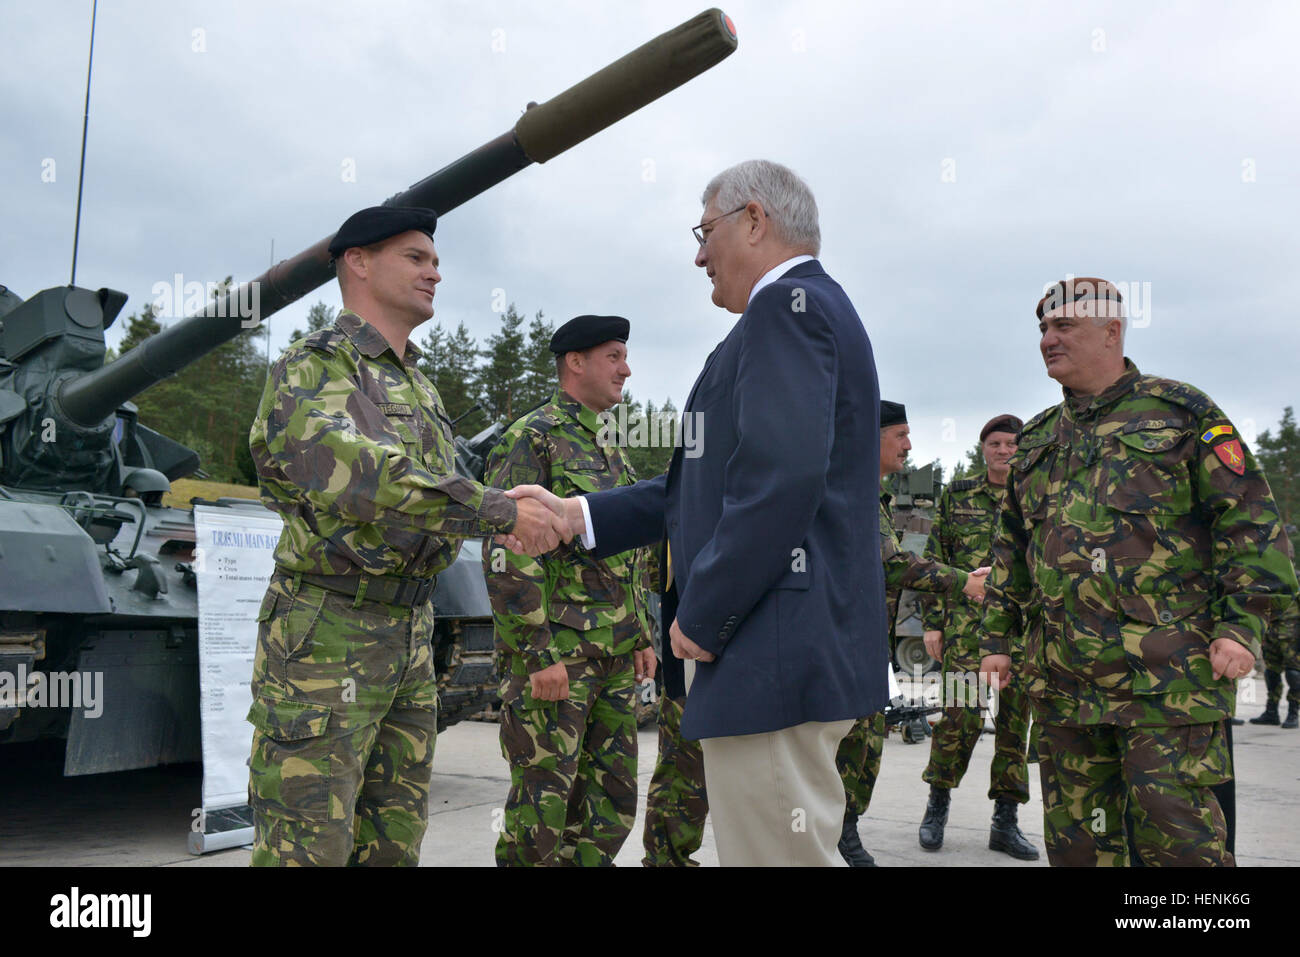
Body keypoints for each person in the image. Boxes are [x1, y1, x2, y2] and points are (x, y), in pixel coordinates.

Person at [509, 159, 889, 866]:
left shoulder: (786, 309)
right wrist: (579, 515)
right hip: (790, 649)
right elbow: (713, 481)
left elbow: (780, 479)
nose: (698, 253)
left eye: (705, 230)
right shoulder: (802, 311)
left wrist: (702, 612)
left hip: (771, 652)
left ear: (753, 219)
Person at [245, 205, 567, 867]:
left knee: (392, 843)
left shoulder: (418, 385)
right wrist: (501, 510)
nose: (434, 272)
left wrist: (518, 500)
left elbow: (451, 488)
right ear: (357, 261)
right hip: (327, 630)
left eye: (436, 260)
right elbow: (365, 477)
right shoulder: (312, 369)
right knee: (307, 846)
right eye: (415, 258)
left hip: (412, 628)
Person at [979, 276, 1298, 867]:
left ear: (1112, 331)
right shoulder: (1040, 439)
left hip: (1167, 687)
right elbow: (1010, 549)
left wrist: (1242, 625)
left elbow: (1253, 527)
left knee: (1182, 853)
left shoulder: (1181, 414)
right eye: (1043, 329)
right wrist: (997, 639)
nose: (1048, 339)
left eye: (1064, 326)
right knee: (1078, 851)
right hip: (1065, 689)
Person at [482, 314, 656, 866]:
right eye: (614, 357)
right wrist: (537, 655)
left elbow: (627, 554)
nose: (626, 369)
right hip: (559, 658)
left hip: (613, 655)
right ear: (575, 363)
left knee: (611, 806)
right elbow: (506, 551)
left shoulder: (612, 445)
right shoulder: (532, 438)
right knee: (541, 814)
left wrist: (641, 635)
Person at [836, 400, 989, 866]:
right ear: (871, 437)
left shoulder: (870, 493)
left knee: (867, 744)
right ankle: (840, 836)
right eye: (900, 434)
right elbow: (894, 562)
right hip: (846, 647)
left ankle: (846, 831)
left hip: (866, 646)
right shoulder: (852, 490)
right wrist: (964, 581)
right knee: (852, 745)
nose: (909, 445)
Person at [915, 413, 1039, 860]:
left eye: (1011, 444)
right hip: (966, 631)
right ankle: (937, 807)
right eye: (996, 443)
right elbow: (935, 559)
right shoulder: (958, 495)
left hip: (1021, 633)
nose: (1004, 450)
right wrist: (932, 621)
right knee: (958, 719)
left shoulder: (1036, 494)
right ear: (983, 448)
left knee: (1013, 726)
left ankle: (1005, 822)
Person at [1249, 528, 1300, 728]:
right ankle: (1271, 711)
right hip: (1271, 634)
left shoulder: (1296, 579)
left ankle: (1293, 712)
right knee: (1271, 673)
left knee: (1294, 675)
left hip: (1293, 636)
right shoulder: (1267, 579)